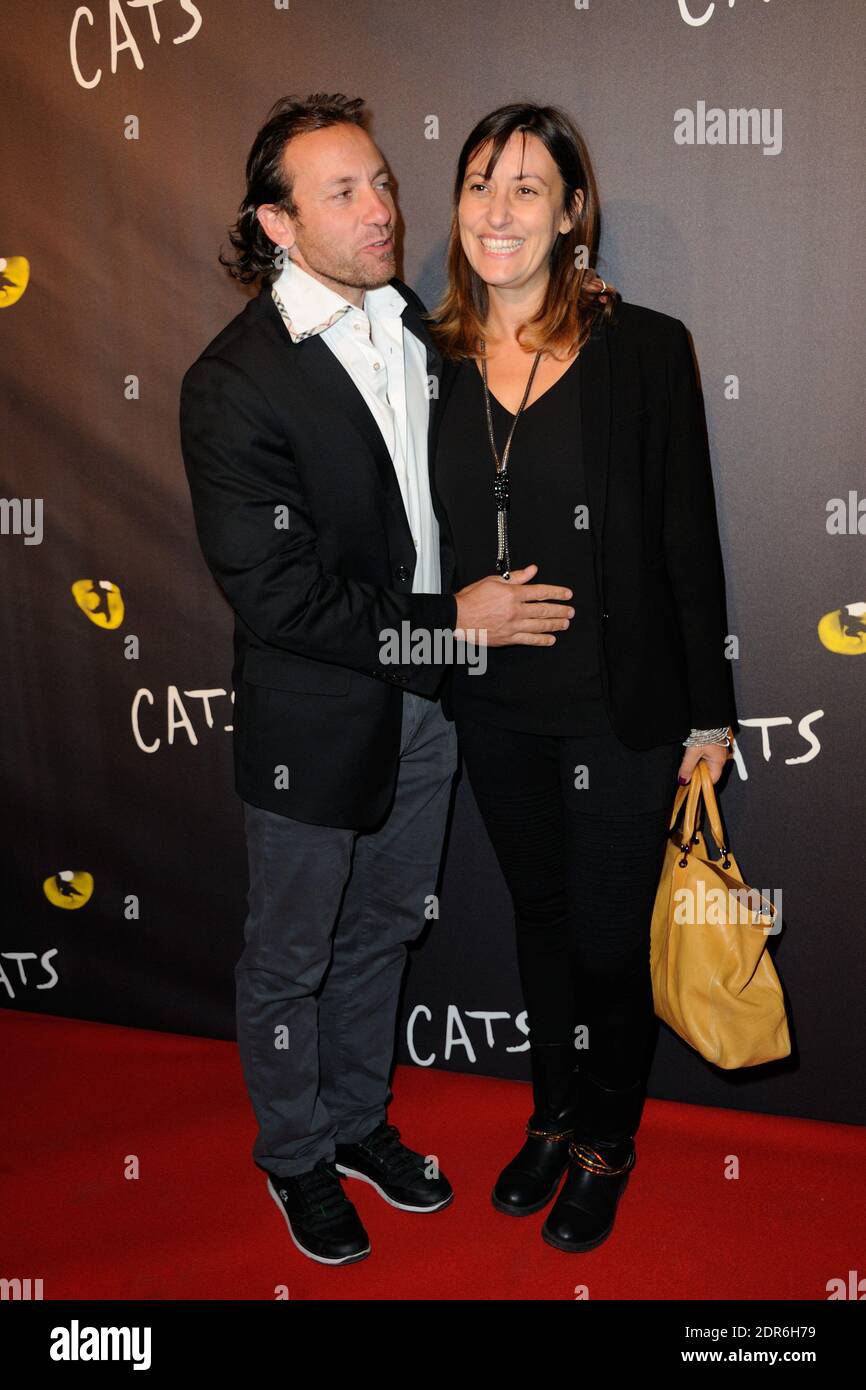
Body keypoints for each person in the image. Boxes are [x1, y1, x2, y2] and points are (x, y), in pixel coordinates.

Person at [178, 93, 583, 1266]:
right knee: (292, 957)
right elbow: (280, 598)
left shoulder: (412, 318)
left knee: (381, 939)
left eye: (383, 182)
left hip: (425, 711)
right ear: (277, 223)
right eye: (343, 192)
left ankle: (358, 1125)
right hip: (320, 715)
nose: (382, 208)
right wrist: (449, 627)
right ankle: (294, 1156)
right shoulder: (233, 381)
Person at [428, 102, 738, 1253]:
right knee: (542, 921)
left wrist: (711, 711)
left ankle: (609, 1139)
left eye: (523, 187)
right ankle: (551, 1115)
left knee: (609, 941)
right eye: (475, 185)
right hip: (491, 704)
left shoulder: (645, 349)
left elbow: (684, 539)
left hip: (619, 705)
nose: (495, 211)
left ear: (570, 213)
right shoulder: (425, 357)